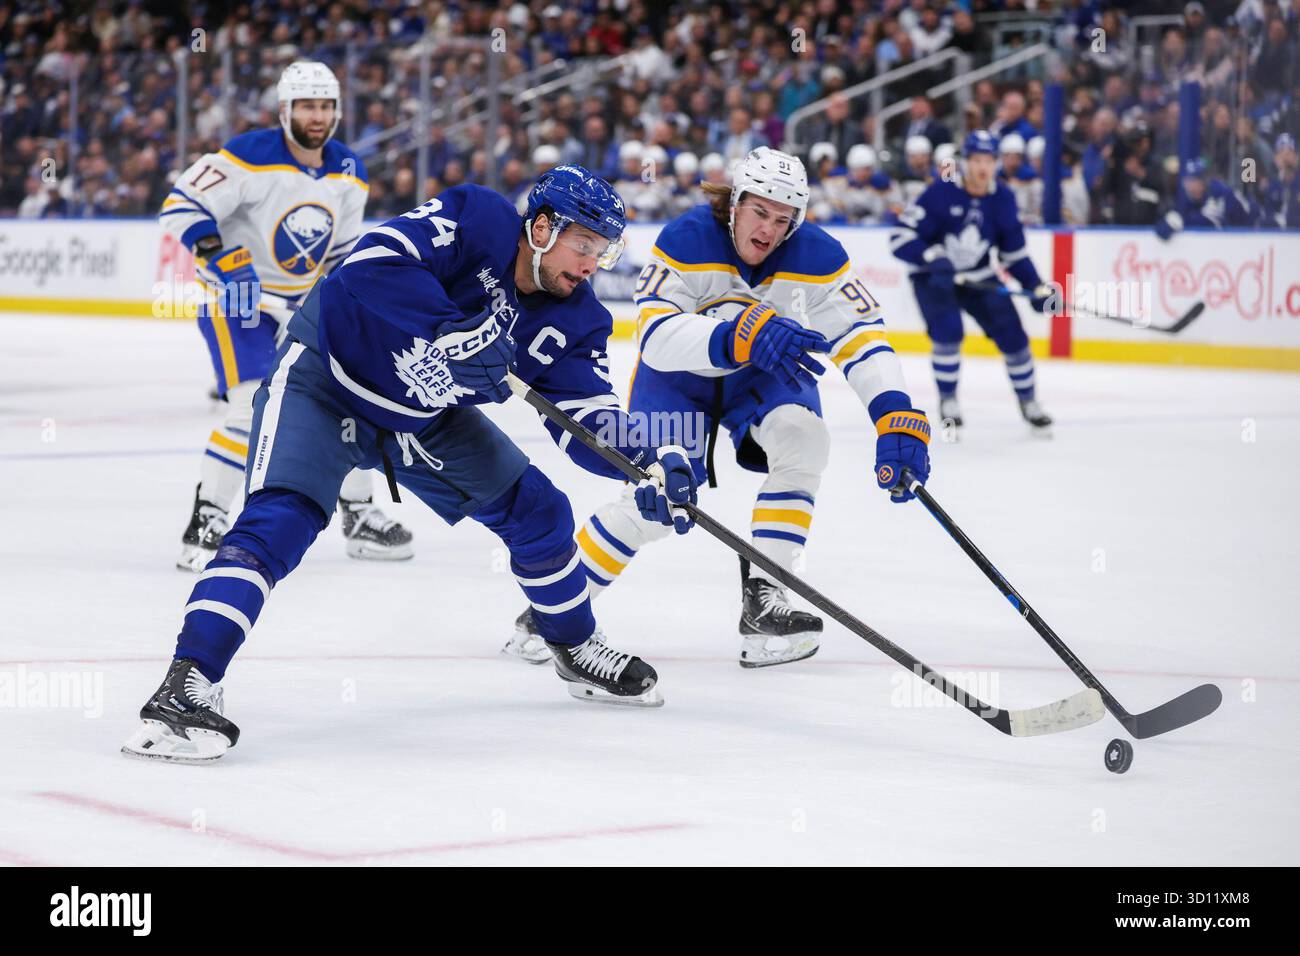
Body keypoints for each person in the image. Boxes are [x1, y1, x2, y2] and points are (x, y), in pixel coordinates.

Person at [122, 166, 699, 762]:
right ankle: (186, 684)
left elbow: (584, 417)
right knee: (280, 523)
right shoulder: (478, 218)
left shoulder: (575, 319)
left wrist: (647, 459)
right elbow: (371, 262)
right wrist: (445, 331)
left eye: (600, 254)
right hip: (327, 378)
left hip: (421, 415)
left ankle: (574, 646)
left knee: (539, 511)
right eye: (583, 246)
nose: (588, 267)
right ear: (544, 227)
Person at [508, 148, 932, 669]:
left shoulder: (819, 256)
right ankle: (553, 612)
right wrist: (742, 334)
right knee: (661, 501)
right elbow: (658, 338)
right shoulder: (685, 240)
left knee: (805, 440)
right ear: (734, 204)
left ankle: (766, 598)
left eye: (783, 219)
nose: (769, 229)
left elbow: (862, 337)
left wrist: (894, 413)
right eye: (759, 212)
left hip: (762, 378)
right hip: (679, 381)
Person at [160, 61, 412, 571]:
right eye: (306, 106)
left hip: (302, 308)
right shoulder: (247, 156)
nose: (316, 116)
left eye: (324, 106)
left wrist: (358, 306)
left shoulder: (348, 171)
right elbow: (181, 206)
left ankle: (358, 513)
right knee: (250, 409)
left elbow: (340, 255)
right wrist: (221, 257)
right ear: (284, 109)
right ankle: (207, 519)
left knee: (354, 400)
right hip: (237, 305)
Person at [890, 130, 1055, 436]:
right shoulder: (941, 192)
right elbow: (899, 237)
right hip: (934, 278)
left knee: (1015, 338)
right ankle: (949, 400)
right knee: (949, 333)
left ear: (997, 163)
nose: (982, 168)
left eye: (989, 161)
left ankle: (1029, 403)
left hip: (978, 278)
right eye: (976, 160)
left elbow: (1013, 255)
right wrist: (931, 256)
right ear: (965, 162)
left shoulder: (1003, 198)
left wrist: (1036, 286)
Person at [1155, 158, 1256, 238]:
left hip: (1252, 234)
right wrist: (1168, 223)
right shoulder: (1186, 198)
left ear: (1204, 181)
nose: (1191, 185)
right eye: (1188, 180)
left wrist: (1182, 222)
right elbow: (1166, 225)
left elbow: (1214, 225)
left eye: (1195, 180)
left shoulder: (1221, 194)